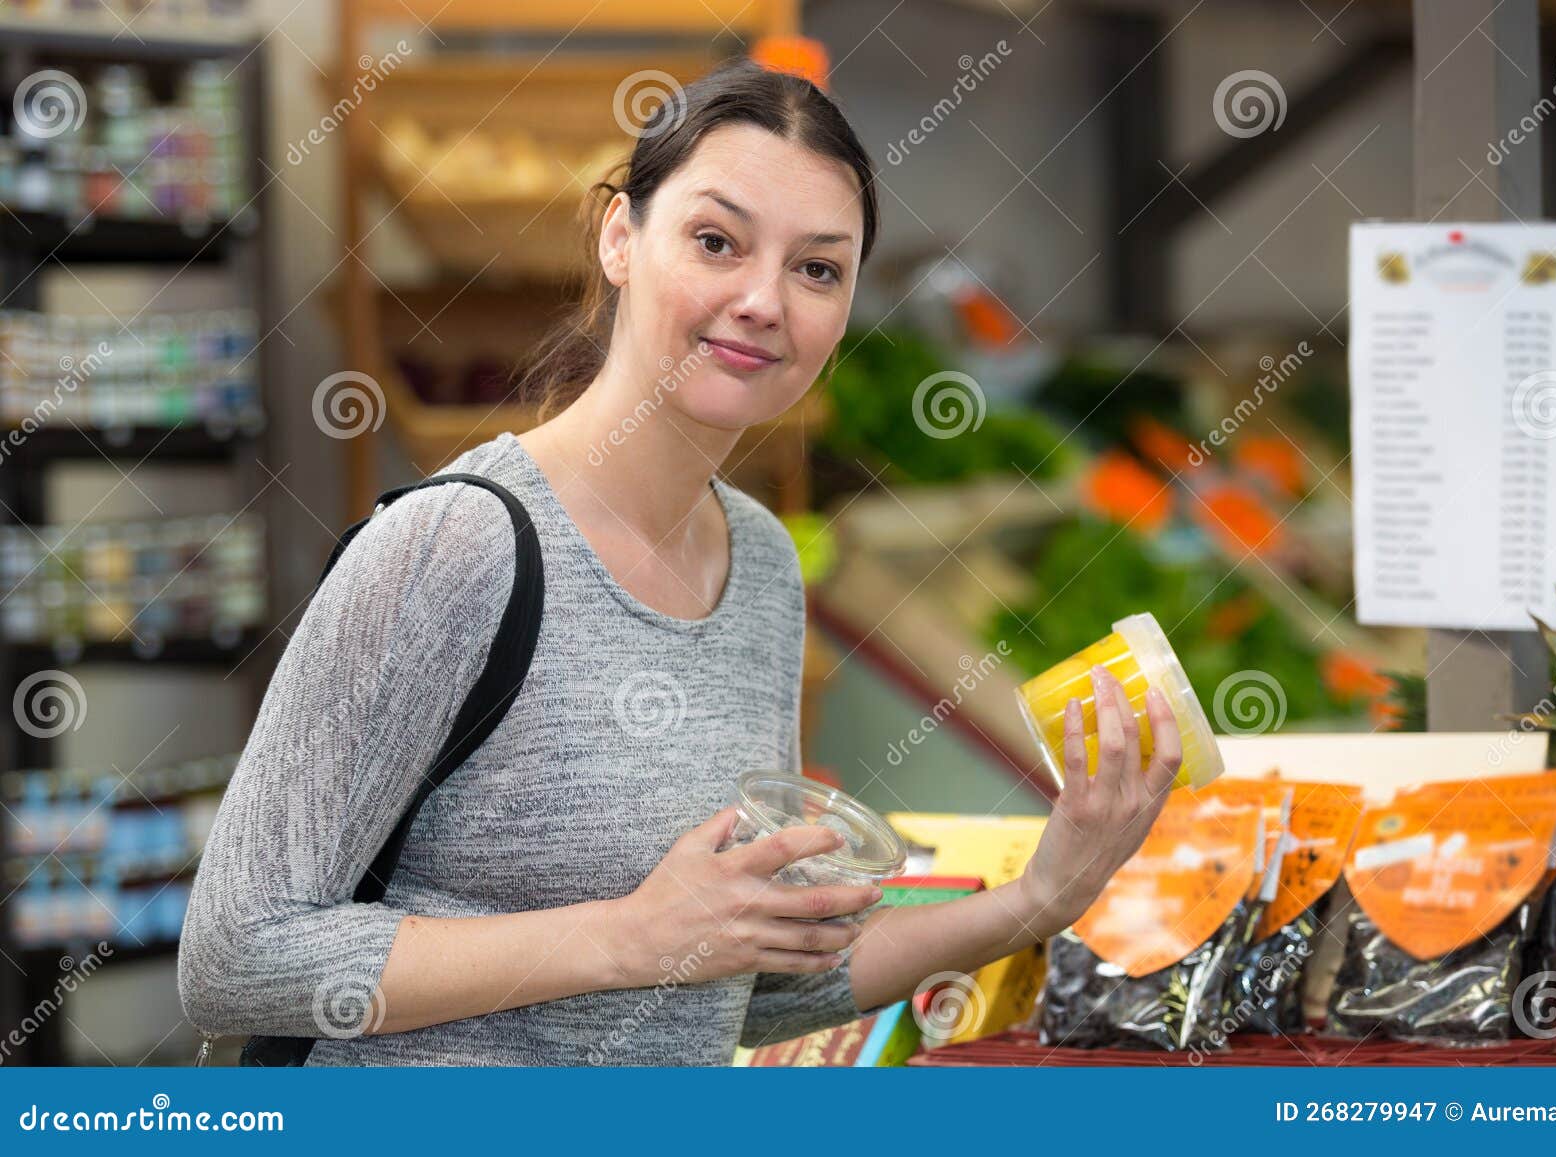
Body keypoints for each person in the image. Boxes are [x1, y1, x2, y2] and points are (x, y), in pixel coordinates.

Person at [178, 58, 1181, 1065]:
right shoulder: (456, 545)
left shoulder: (763, 565)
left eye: (817, 269)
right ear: (619, 236)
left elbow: (738, 987)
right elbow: (234, 955)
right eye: (715, 241)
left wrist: (1043, 894)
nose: (763, 300)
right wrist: (627, 936)